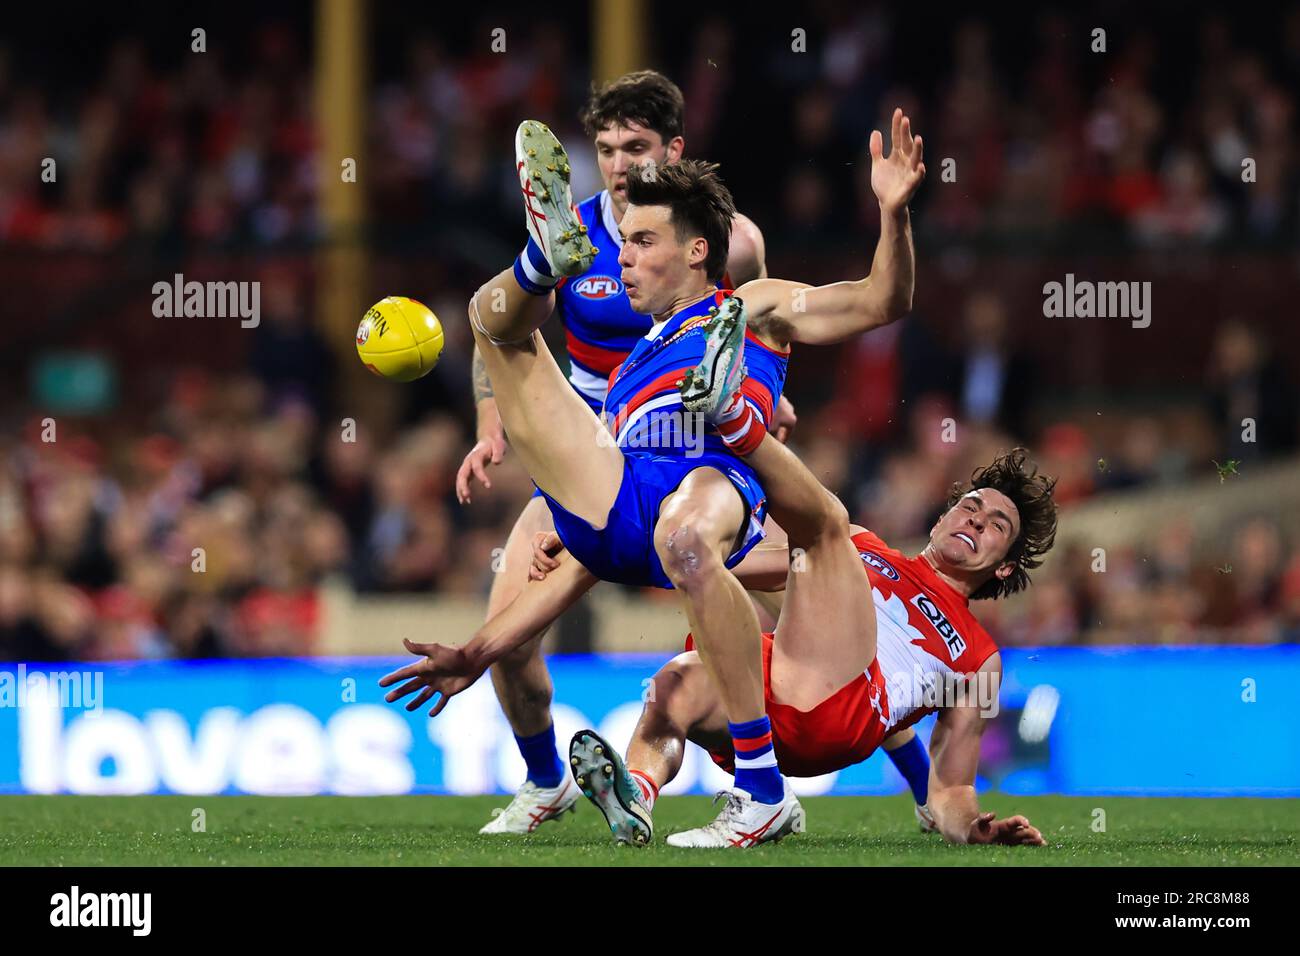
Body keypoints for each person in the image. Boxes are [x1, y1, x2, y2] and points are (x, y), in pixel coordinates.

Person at [386, 107, 926, 844]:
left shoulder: (753, 306)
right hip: (622, 497)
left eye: (643, 242)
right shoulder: (633, 364)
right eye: (624, 242)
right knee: (491, 317)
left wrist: (893, 215)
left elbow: (881, 300)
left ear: (699, 250)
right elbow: (573, 574)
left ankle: (762, 791)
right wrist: (476, 652)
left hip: (715, 485)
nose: (626, 258)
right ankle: (537, 263)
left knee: (690, 533)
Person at [382, 443, 1054, 849]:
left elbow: (951, 791)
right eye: (972, 504)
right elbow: (712, 561)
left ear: (1002, 567)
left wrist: (976, 828)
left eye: (997, 524)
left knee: (829, 530)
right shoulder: (866, 554)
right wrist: (605, 548)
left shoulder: (974, 655)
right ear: (944, 514)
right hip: (769, 693)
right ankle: (636, 795)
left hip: (844, 713)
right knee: (673, 681)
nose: (976, 519)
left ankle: (735, 413)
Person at [454, 71, 780, 834]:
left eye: (636, 147)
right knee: (508, 629)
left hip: (691, 459)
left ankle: (923, 781)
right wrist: (488, 419)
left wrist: (772, 390)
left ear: (673, 148)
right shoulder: (568, 241)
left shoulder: (735, 240)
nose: (620, 164)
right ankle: (545, 783)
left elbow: (758, 320)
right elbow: (500, 327)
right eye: (605, 149)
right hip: (587, 462)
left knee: (821, 583)